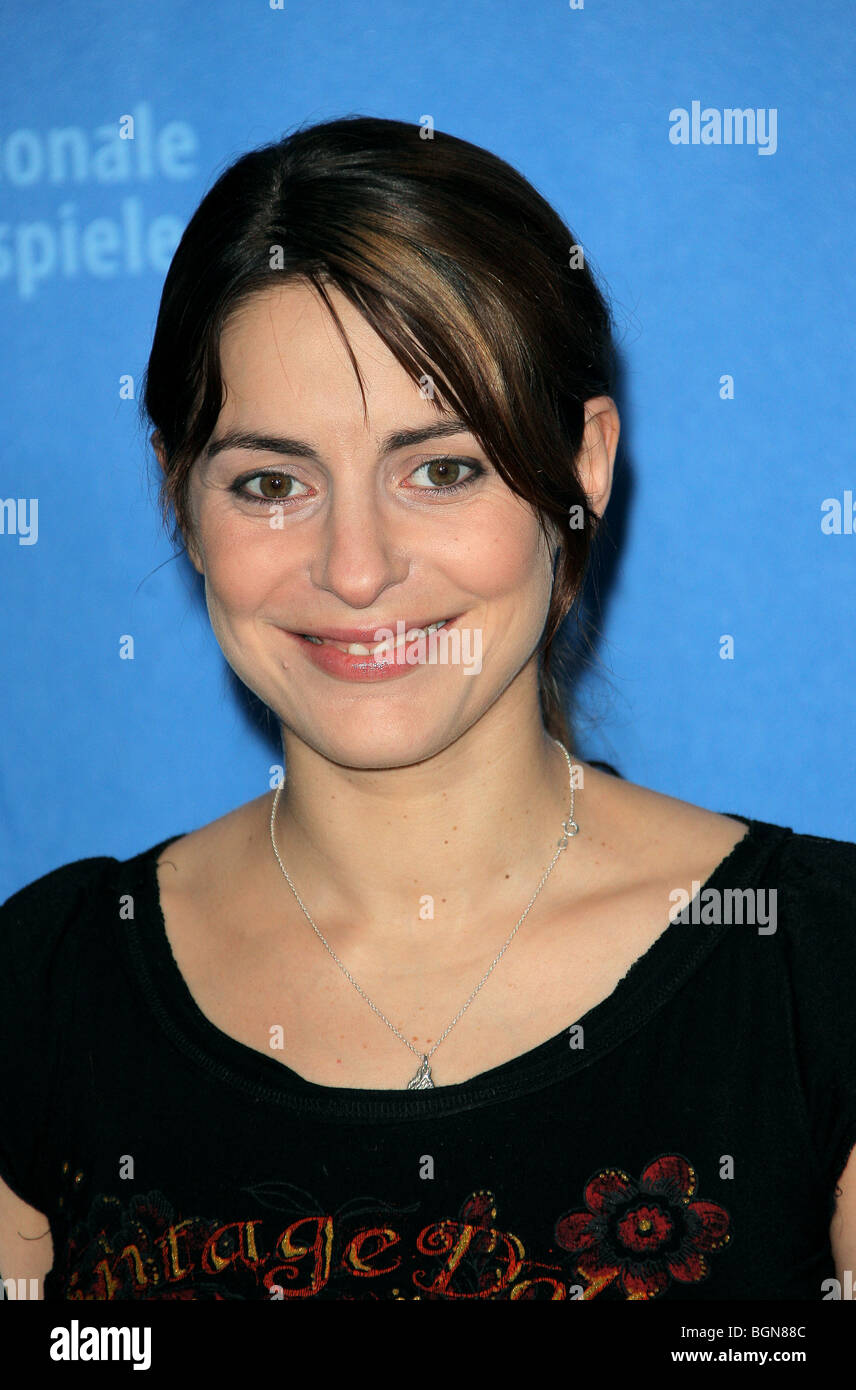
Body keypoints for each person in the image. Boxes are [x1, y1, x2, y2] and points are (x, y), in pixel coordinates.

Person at [1, 115, 855, 1303]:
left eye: (440, 467)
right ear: (179, 500)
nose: (356, 569)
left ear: (584, 462)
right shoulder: (46, 989)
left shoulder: (816, 970)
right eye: (270, 482)